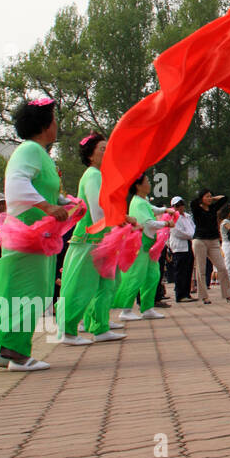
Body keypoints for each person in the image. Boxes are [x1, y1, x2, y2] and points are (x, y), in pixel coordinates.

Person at [0, 99, 74, 370]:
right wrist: (48, 206)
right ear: (44, 125)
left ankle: (5, 350)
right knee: (28, 291)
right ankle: (18, 355)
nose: (57, 125)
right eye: (54, 119)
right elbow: (18, 184)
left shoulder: (39, 153)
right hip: (28, 234)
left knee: (23, 290)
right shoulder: (31, 149)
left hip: (38, 234)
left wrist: (65, 201)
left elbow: (40, 188)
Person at [55, 132, 129, 345]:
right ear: (90, 155)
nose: (107, 153)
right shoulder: (93, 175)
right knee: (81, 285)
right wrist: (118, 220)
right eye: (102, 149)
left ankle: (99, 326)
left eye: (108, 149)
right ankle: (68, 331)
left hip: (101, 239)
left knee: (105, 285)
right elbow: (98, 213)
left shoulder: (100, 175)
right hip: (89, 238)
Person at [113, 173, 168, 321]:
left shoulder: (142, 201)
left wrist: (165, 211)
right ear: (138, 185)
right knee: (135, 275)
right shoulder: (137, 203)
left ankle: (147, 307)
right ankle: (125, 309)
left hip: (148, 245)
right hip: (140, 243)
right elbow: (148, 223)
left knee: (152, 275)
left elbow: (153, 209)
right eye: (147, 181)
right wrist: (165, 223)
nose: (149, 183)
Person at [191, 189, 230, 302]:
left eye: (211, 196)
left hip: (213, 241)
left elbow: (225, 198)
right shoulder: (197, 209)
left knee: (222, 267)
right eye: (207, 196)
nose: (210, 198)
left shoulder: (213, 208)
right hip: (200, 241)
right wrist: (202, 199)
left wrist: (212, 198)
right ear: (201, 198)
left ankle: (227, 294)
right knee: (201, 269)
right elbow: (193, 202)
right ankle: (204, 296)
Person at [168, 197, 199, 302]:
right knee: (180, 271)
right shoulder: (172, 217)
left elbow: (193, 227)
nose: (180, 207)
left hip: (189, 245)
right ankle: (180, 295)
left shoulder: (188, 216)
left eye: (181, 204)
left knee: (188, 270)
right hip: (179, 247)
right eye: (177, 205)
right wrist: (191, 235)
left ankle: (186, 293)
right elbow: (177, 232)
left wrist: (192, 235)